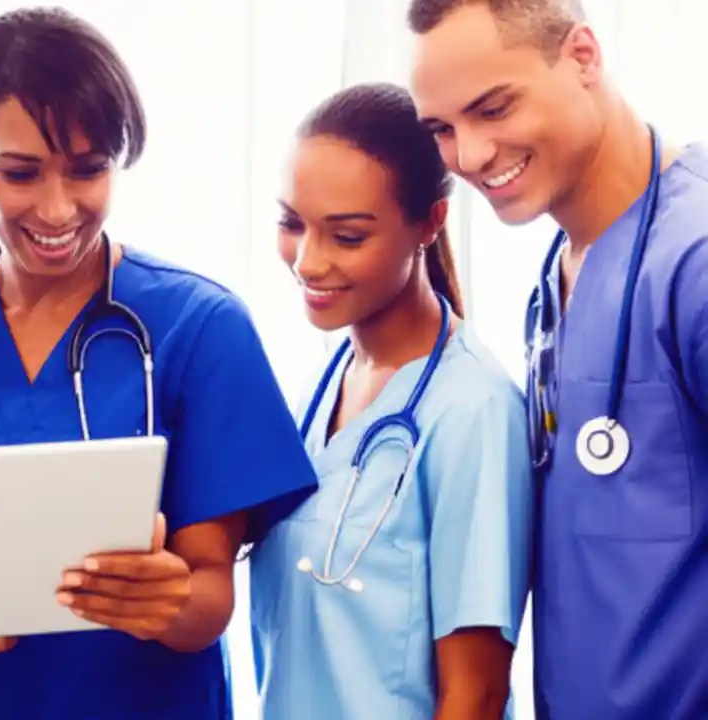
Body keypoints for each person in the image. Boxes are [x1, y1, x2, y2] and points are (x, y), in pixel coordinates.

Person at [0, 8, 317, 719]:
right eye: (20, 172)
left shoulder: (201, 328)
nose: (58, 208)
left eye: (89, 169)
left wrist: (165, 598)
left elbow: (210, 598)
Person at [409, 1, 708, 717]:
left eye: (494, 108)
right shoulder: (557, 278)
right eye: (443, 130)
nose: (472, 156)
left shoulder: (693, 259)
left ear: (582, 56)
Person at [249, 82, 533, 720]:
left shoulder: (472, 411)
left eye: (347, 236)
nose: (308, 263)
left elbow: (476, 696)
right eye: (293, 224)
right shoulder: (322, 384)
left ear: (429, 222)